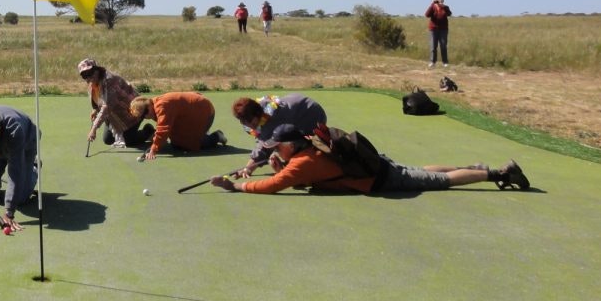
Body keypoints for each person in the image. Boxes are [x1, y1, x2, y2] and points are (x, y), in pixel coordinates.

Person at [209, 124, 531, 194]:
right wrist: (280, 166)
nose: (273, 151)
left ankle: (499, 174)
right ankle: (476, 169)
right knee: (422, 170)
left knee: (440, 181)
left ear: (290, 145)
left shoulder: (303, 160)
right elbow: (295, 176)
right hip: (379, 163)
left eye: (277, 147)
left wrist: (238, 187)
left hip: (380, 178)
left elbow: (277, 185)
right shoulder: (312, 146)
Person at [231, 93, 327, 177]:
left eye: (250, 122)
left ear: (257, 114)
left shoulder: (272, 118)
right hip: (298, 108)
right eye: (244, 122)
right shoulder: (256, 111)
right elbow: (262, 136)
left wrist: (248, 168)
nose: (249, 126)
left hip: (311, 115)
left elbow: (264, 146)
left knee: (296, 148)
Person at [128, 92, 227, 161]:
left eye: (145, 112)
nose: (146, 116)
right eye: (143, 116)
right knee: (177, 144)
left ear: (148, 104)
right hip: (189, 116)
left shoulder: (162, 106)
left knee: (189, 145)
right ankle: (200, 134)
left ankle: (216, 136)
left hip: (203, 113)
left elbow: (163, 129)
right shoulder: (155, 106)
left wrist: (153, 149)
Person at [78, 58, 152, 148]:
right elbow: (98, 99)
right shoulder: (93, 82)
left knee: (129, 141)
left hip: (133, 111)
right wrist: (95, 109)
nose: (88, 76)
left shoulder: (109, 81)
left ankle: (148, 131)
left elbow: (106, 107)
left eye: (90, 72)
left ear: (96, 69)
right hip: (116, 114)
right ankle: (128, 132)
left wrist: (94, 129)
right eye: (84, 75)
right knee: (108, 140)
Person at [425, 0, 452, 68]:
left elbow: (449, 14)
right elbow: (427, 15)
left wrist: (443, 6)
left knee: (443, 45)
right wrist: (433, 3)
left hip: (443, 29)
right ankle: (432, 62)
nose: (438, 0)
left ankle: (445, 62)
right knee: (433, 46)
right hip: (433, 29)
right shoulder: (432, 7)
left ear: (442, 0)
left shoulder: (445, 7)